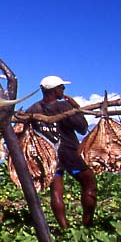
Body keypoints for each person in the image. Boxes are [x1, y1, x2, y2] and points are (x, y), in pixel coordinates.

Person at [26, 75, 96, 229]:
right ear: (55, 90)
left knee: (56, 192)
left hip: (49, 156)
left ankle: (64, 228)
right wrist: (74, 107)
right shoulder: (64, 107)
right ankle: (87, 223)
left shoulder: (33, 109)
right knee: (89, 184)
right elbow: (83, 128)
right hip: (70, 154)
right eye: (62, 88)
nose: (63, 90)